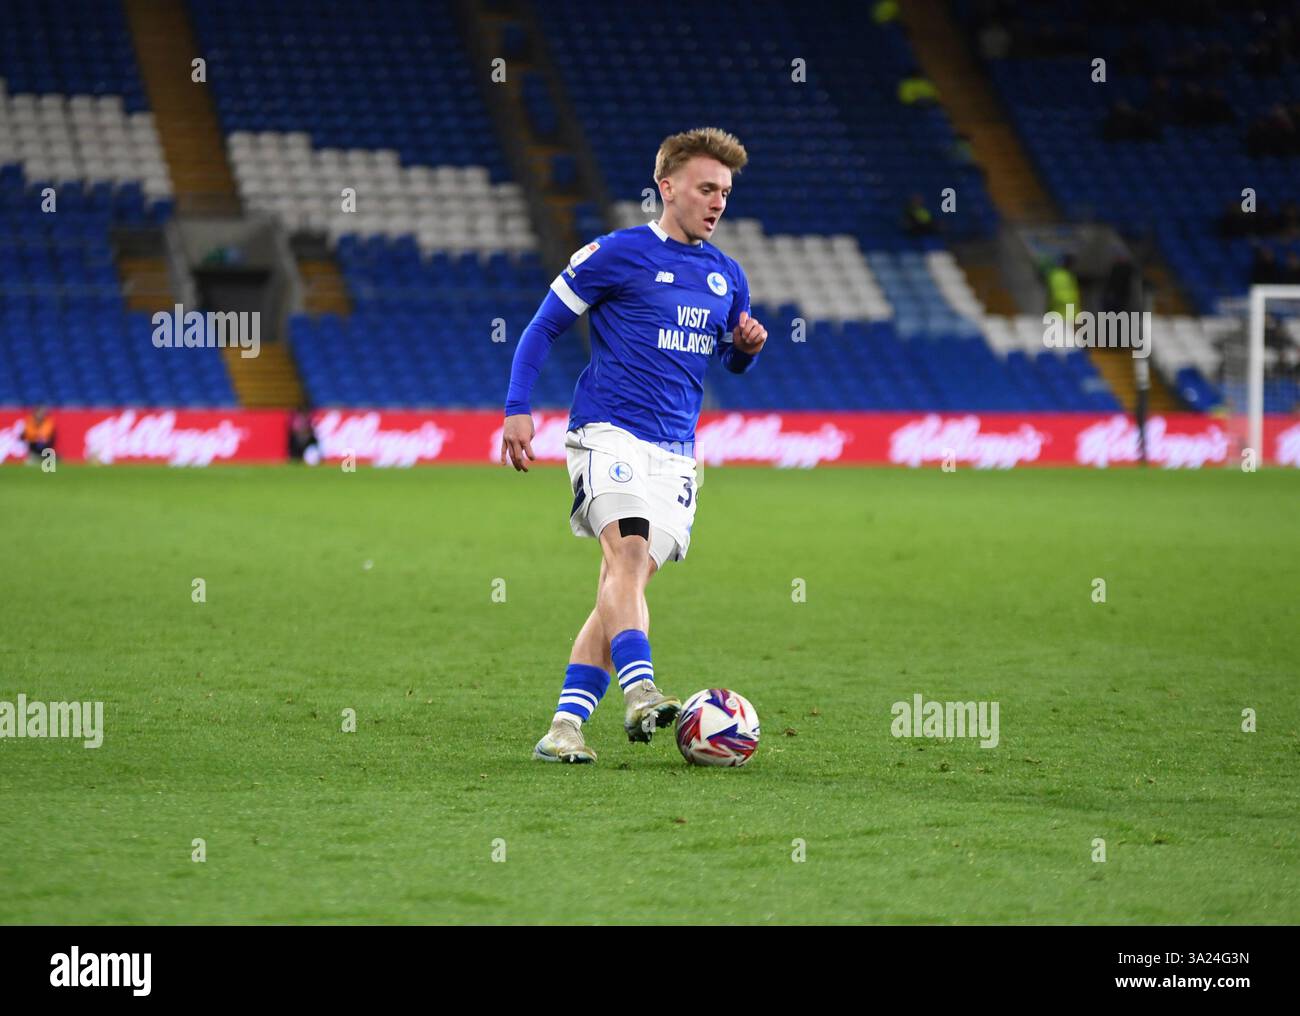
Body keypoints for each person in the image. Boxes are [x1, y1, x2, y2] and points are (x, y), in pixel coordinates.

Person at [500, 127, 767, 764]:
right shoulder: (616, 254)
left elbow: (727, 361)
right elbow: (543, 326)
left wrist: (746, 351)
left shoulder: (727, 277)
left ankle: (563, 729)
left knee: (624, 585)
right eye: (707, 188)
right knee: (628, 553)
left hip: (677, 453)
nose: (717, 202)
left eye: (725, 192)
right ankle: (641, 690)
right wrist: (516, 408)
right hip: (607, 430)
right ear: (666, 187)